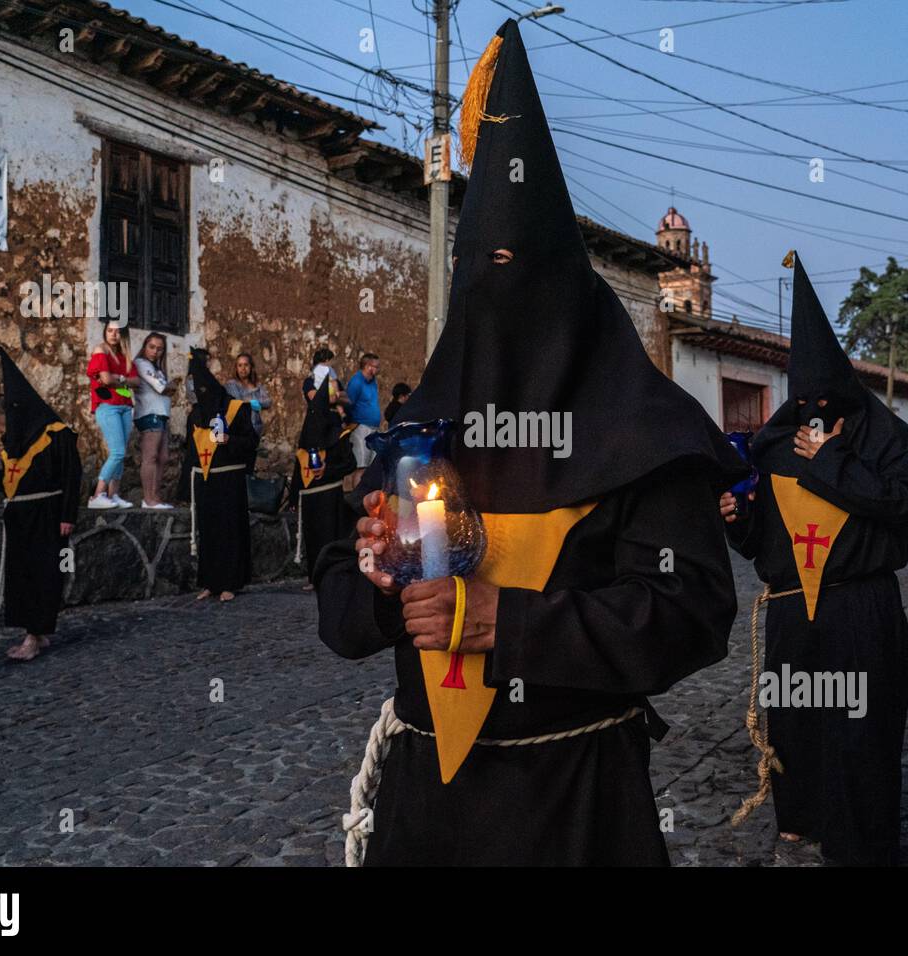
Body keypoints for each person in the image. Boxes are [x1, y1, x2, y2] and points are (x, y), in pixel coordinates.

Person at [314, 18, 745, 867]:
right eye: (481, 267)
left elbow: (691, 617)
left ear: (569, 286)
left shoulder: (640, 435)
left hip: (576, 802)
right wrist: (377, 582)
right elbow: (336, 600)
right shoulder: (417, 436)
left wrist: (501, 624)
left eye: (520, 265)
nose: (499, 291)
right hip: (426, 808)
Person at [722, 256, 908, 867]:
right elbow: (766, 541)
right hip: (791, 608)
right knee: (796, 716)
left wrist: (831, 459)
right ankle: (800, 812)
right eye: (802, 399)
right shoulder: (775, 444)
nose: (814, 411)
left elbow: (892, 503)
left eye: (826, 400)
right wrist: (741, 522)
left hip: (861, 605)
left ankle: (859, 840)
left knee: (861, 727)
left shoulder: (888, 441)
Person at [0, 348, 82, 661]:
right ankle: (35, 633)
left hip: (46, 514)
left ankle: (33, 635)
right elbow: (7, 482)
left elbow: (71, 476)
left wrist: (68, 515)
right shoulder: (14, 443)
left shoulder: (57, 435)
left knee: (42, 574)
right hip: (19, 517)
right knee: (23, 576)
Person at [186, 348, 258, 602]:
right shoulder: (196, 415)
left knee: (229, 532)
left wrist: (230, 440)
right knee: (208, 532)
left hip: (229, 479)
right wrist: (186, 487)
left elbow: (251, 441)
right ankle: (209, 582)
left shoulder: (237, 409)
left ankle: (231, 582)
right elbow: (190, 451)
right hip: (205, 480)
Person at [289, 374, 357, 589]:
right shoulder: (307, 441)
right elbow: (299, 468)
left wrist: (329, 470)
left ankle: (332, 577)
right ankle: (314, 577)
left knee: (330, 538)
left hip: (330, 495)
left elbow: (349, 464)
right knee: (313, 539)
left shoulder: (338, 436)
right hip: (310, 497)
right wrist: (293, 495)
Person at [86, 320, 137, 509]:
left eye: (117, 331)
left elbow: (137, 381)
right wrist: (123, 380)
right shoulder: (101, 351)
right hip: (107, 406)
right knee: (117, 452)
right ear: (104, 332)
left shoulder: (124, 356)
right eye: (110, 330)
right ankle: (97, 495)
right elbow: (105, 379)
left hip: (124, 406)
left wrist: (119, 379)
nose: (113, 334)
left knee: (120, 454)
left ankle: (113, 494)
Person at [133, 332, 174, 510]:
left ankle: (155, 497)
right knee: (150, 457)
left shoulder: (157, 368)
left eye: (159, 349)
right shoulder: (141, 364)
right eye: (152, 347)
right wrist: (170, 386)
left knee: (163, 457)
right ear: (145, 346)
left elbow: (166, 389)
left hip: (161, 414)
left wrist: (169, 388)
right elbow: (162, 388)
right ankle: (148, 499)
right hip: (149, 413)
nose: (155, 351)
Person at [345, 352, 381, 469]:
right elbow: (349, 403)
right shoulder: (356, 382)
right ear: (367, 367)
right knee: (361, 465)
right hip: (361, 427)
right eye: (375, 367)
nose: (377, 370)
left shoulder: (373, 381)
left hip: (373, 427)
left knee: (371, 466)